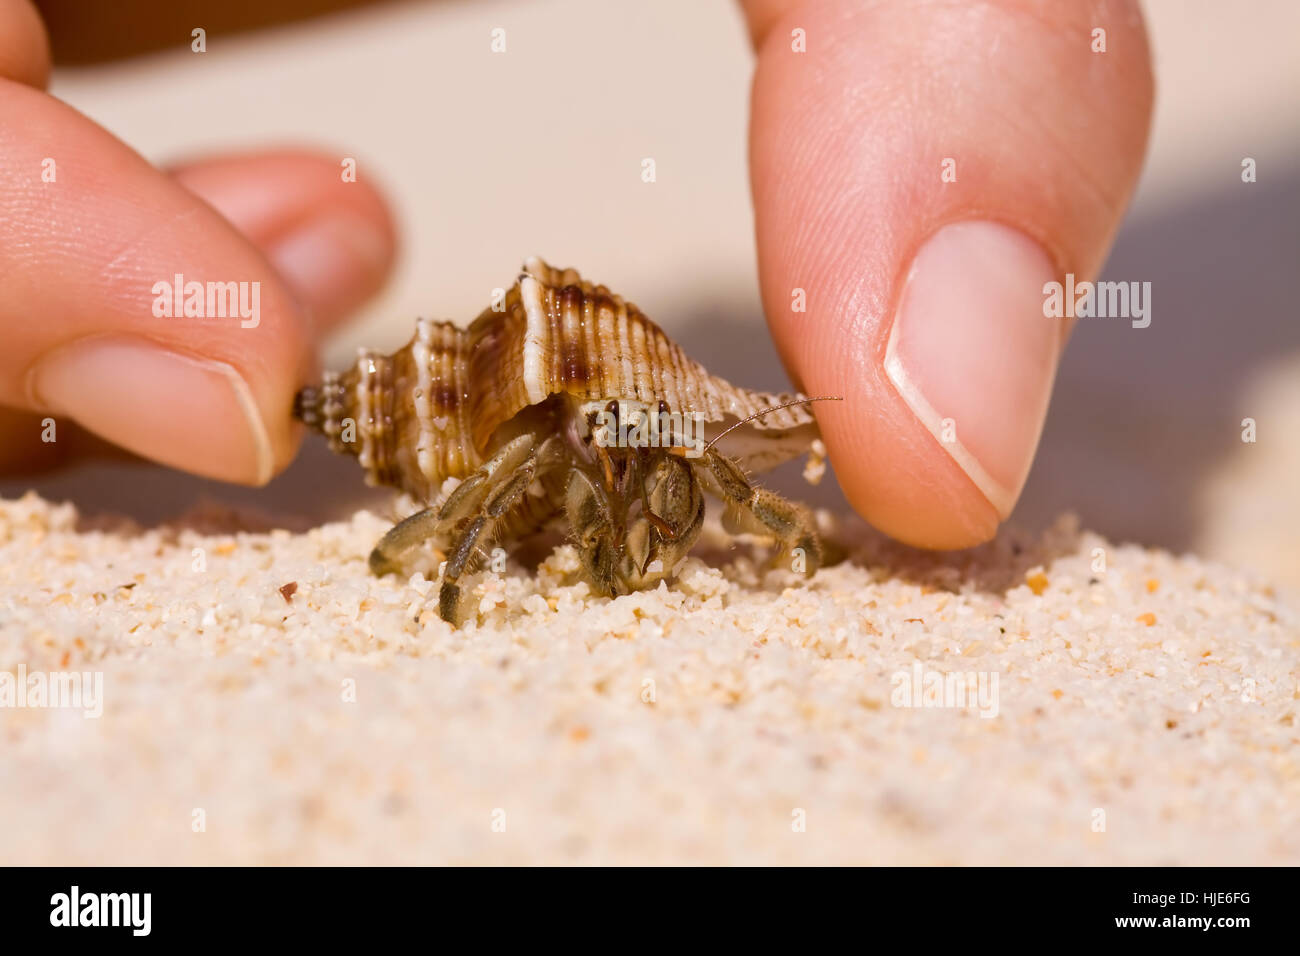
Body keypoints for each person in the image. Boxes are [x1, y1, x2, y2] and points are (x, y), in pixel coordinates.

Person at [0, 0, 1153, 549]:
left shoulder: (646, 430)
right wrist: (440, 551)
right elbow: (555, 448)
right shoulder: (555, 432)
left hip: (592, 406)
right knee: (550, 453)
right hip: (526, 426)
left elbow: (669, 448)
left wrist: (769, 515)